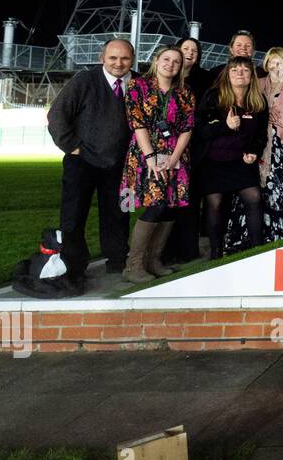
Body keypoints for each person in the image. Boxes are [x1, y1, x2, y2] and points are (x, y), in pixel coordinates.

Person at [46, 38, 136, 280]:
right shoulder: (84, 81)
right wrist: (72, 147)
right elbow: (56, 115)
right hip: (82, 162)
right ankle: (73, 265)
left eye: (125, 58)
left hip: (121, 165)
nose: (119, 63)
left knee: (119, 214)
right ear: (102, 58)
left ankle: (117, 261)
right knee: (73, 215)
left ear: (133, 60)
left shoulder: (139, 83)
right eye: (113, 58)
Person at [120, 45, 195, 282]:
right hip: (146, 153)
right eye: (166, 59)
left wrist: (174, 159)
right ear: (156, 60)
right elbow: (137, 123)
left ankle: (153, 260)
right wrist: (151, 157)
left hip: (175, 155)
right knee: (155, 204)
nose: (170, 64)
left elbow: (187, 128)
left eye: (176, 61)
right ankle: (133, 266)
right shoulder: (138, 86)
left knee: (170, 205)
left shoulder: (185, 92)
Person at [193, 57, 268, 260]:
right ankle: (216, 253)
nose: (240, 74)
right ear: (228, 73)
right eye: (235, 70)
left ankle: (257, 252)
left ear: (251, 75)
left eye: (245, 70)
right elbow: (199, 129)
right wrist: (225, 126)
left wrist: (254, 151)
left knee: (254, 198)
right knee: (215, 203)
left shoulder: (258, 101)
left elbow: (261, 135)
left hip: (241, 162)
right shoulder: (213, 97)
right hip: (214, 161)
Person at [229, 47, 283, 245]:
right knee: (254, 190)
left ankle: (279, 234)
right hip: (257, 144)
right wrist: (263, 119)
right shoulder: (259, 84)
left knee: (280, 191)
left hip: (281, 146)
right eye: (272, 61)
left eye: (279, 61)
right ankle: (249, 237)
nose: (275, 65)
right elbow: (250, 110)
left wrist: (266, 118)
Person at [161, 36, 211, 266]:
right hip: (165, 148)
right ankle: (162, 250)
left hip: (195, 147)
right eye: (186, 49)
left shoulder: (204, 79)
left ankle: (187, 250)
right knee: (165, 201)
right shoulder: (165, 79)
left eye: (194, 50)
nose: (190, 53)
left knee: (189, 200)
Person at [178, 37, 213, 102]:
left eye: (195, 51)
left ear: (197, 57)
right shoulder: (166, 75)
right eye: (186, 49)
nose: (190, 53)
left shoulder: (206, 78)